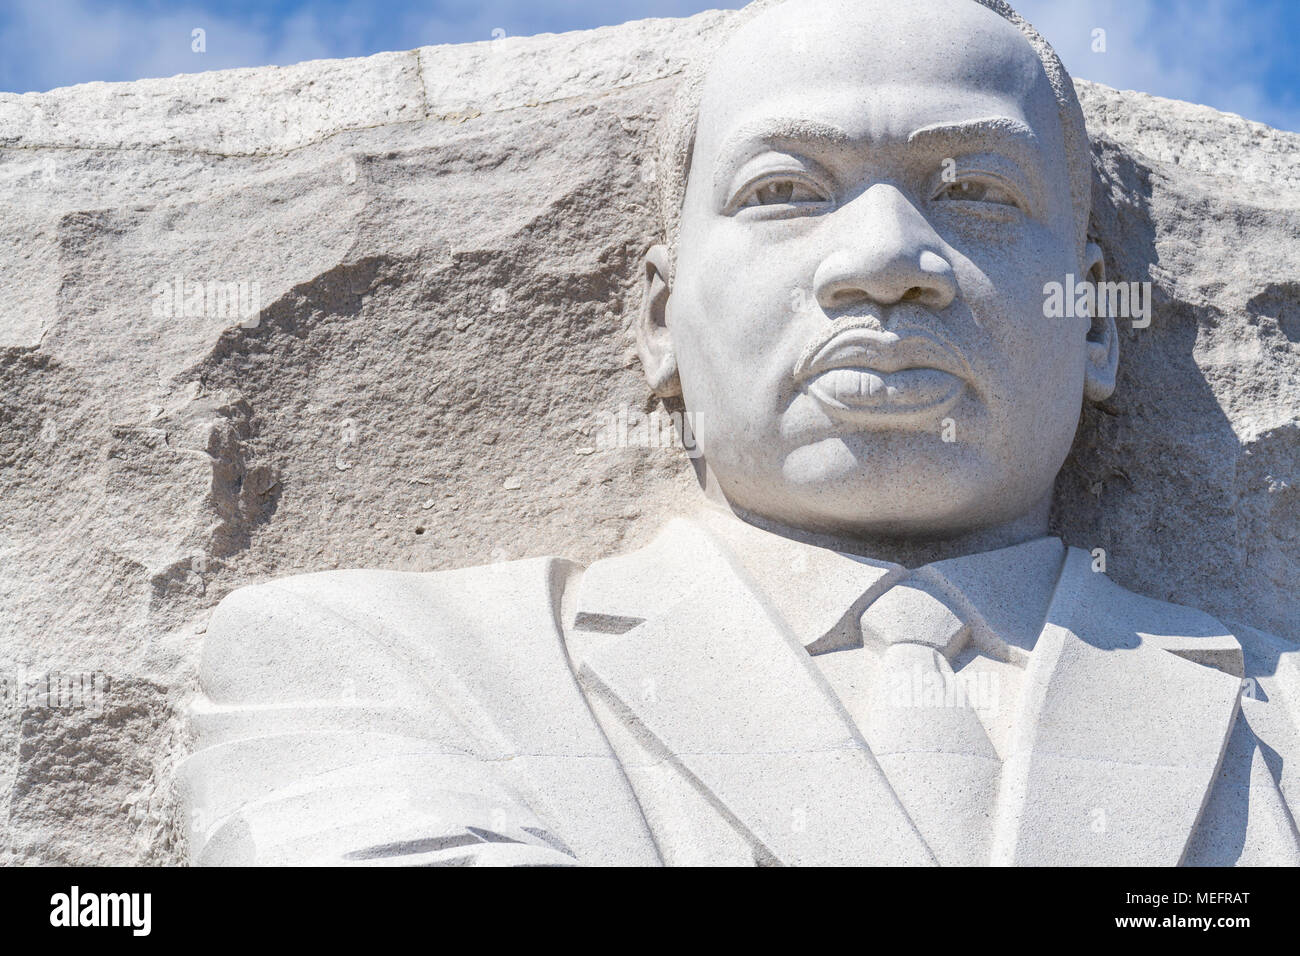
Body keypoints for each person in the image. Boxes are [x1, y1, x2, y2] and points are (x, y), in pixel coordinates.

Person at [180, 0, 1300, 866]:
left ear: (1094, 319)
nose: (882, 261)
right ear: (660, 322)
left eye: (974, 192)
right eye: (784, 191)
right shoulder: (381, 668)